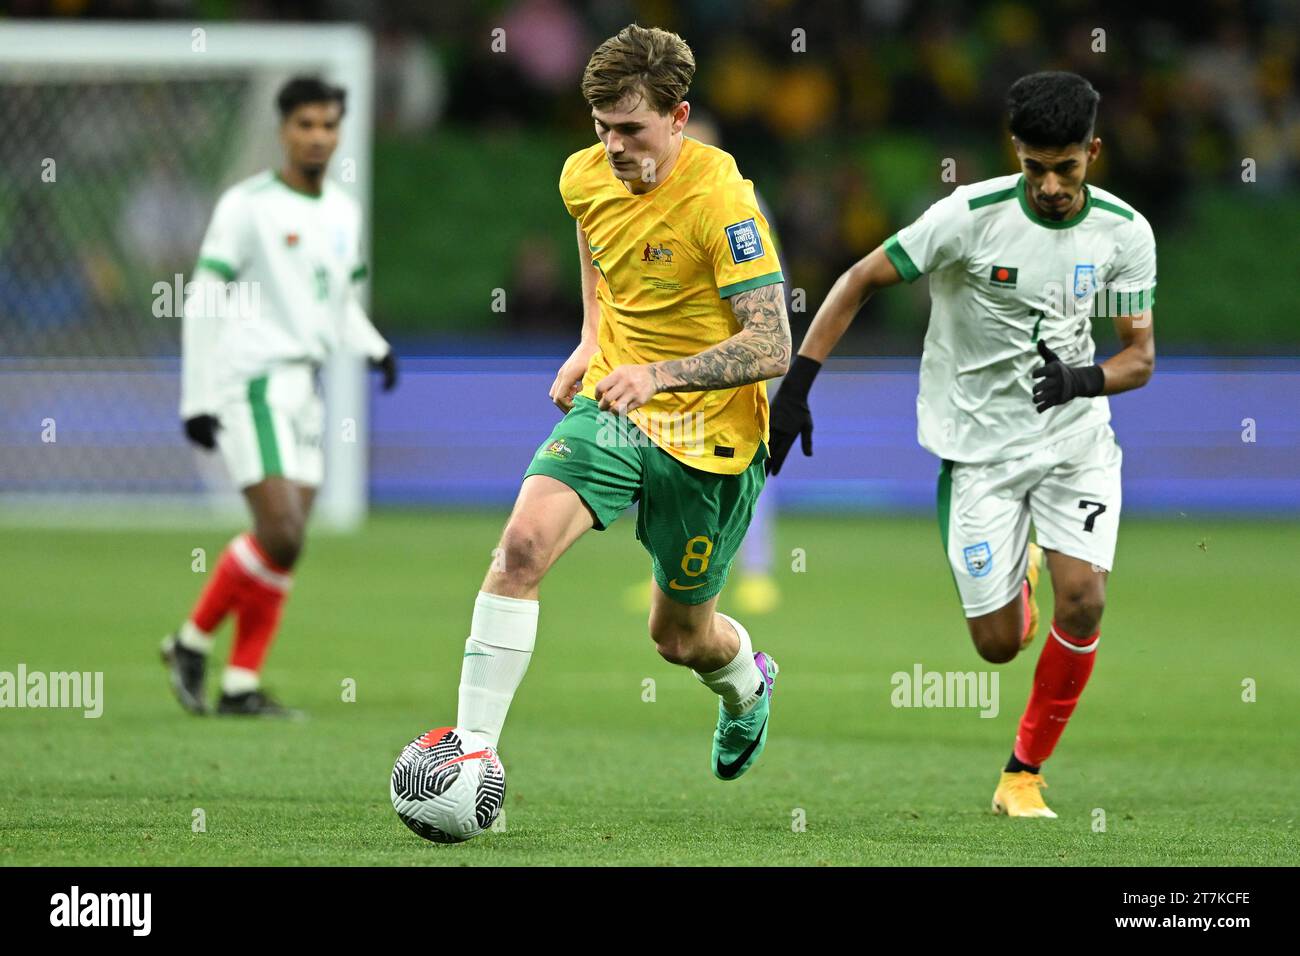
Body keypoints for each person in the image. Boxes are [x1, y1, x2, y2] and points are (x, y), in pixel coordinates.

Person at [768, 72, 1157, 817]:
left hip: (1074, 439)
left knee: (1086, 603)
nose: (1048, 184)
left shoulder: (1123, 231)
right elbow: (856, 281)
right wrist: (796, 387)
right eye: (1033, 165)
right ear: (1015, 153)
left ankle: (1022, 775)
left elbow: (1138, 356)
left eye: (1065, 167)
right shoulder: (967, 216)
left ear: (1093, 152)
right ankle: (1023, 570)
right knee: (997, 645)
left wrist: (1081, 381)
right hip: (977, 449)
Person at [453, 24, 790, 780]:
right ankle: (472, 760)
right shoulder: (584, 174)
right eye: (602, 127)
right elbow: (596, 243)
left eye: (631, 129)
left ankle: (746, 685)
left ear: (678, 117)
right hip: (615, 407)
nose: (612, 146)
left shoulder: (723, 204)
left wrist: (660, 374)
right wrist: (590, 334)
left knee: (678, 639)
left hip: (711, 439)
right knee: (520, 549)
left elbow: (772, 345)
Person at [163, 76, 398, 717]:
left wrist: (375, 346)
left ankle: (238, 683)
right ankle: (192, 641)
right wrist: (197, 397)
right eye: (305, 124)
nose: (318, 136)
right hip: (254, 380)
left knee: (284, 541)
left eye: (328, 124)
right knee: (283, 531)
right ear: (283, 130)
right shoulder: (248, 206)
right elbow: (206, 297)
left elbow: (340, 303)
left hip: (307, 388)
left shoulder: (343, 212)